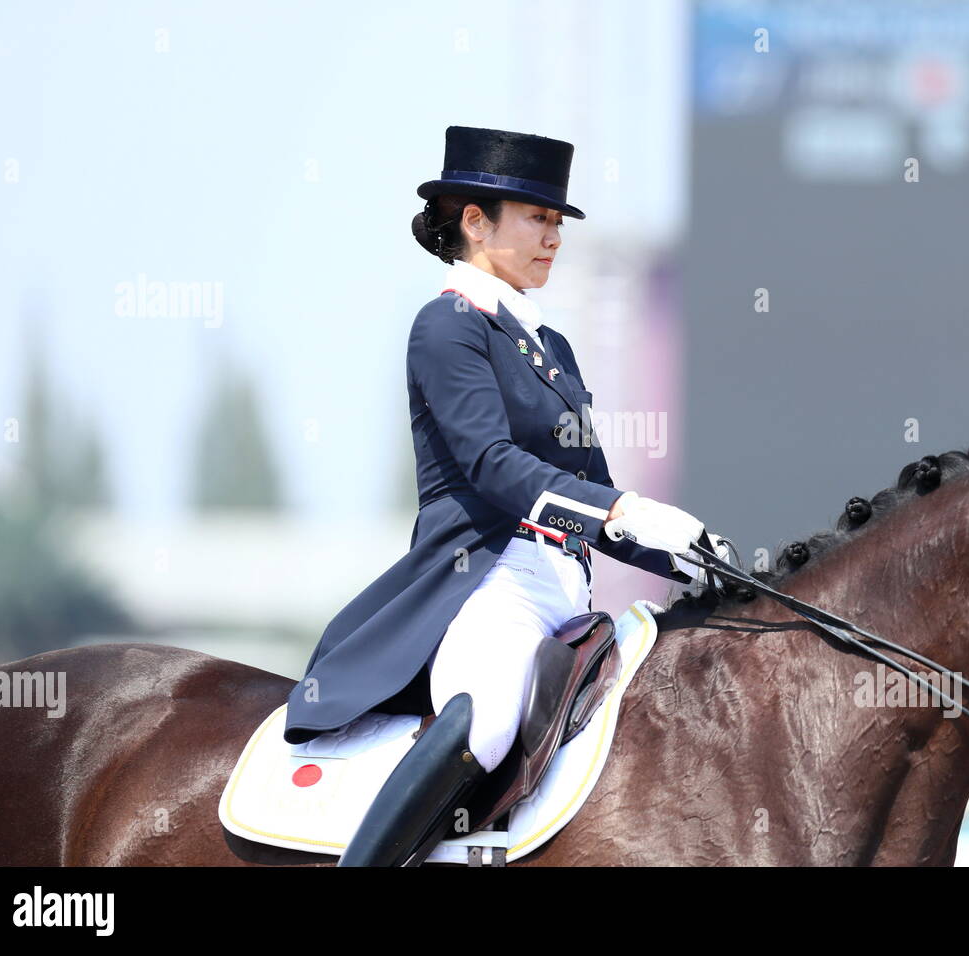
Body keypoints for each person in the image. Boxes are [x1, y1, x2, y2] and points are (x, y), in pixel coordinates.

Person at [283, 126, 727, 866]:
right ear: (476, 222)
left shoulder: (551, 347)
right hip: (485, 584)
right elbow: (491, 465)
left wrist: (688, 555)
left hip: (566, 593)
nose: (553, 237)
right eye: (537, 219)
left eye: (557, 222)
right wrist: (618, 510)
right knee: (486, 720)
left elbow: (590, 491)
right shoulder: (447, 326)